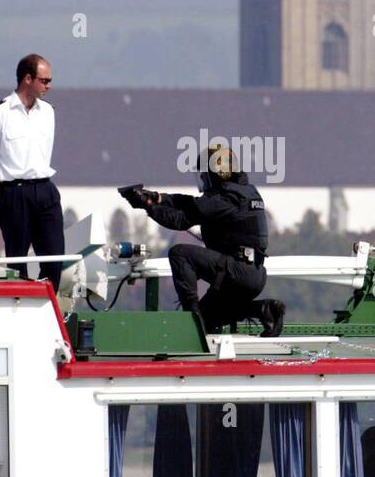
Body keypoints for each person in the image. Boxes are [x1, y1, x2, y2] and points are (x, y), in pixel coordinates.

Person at [119, 142, 285, 335]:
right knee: (208, 317)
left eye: (205, 175)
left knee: (180, 253)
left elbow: (180, 220)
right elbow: (191, 203)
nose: (203, 181)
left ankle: (192, 318)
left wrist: (148, 206)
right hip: (252, 273)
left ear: (216, 174)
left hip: (237, 273)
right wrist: (158, 198)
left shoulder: (225, 200)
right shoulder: (245, 193)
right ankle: (264, 310)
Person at [0, 53, 65, 294]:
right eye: (44, 80)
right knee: (17, 264)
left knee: (54, 259)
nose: (49, 86)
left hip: (46, 190)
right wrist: (10, 195)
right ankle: (19, 307)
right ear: (27, 79)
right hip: (15, 193)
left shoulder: (48, 112)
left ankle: (47, 309)